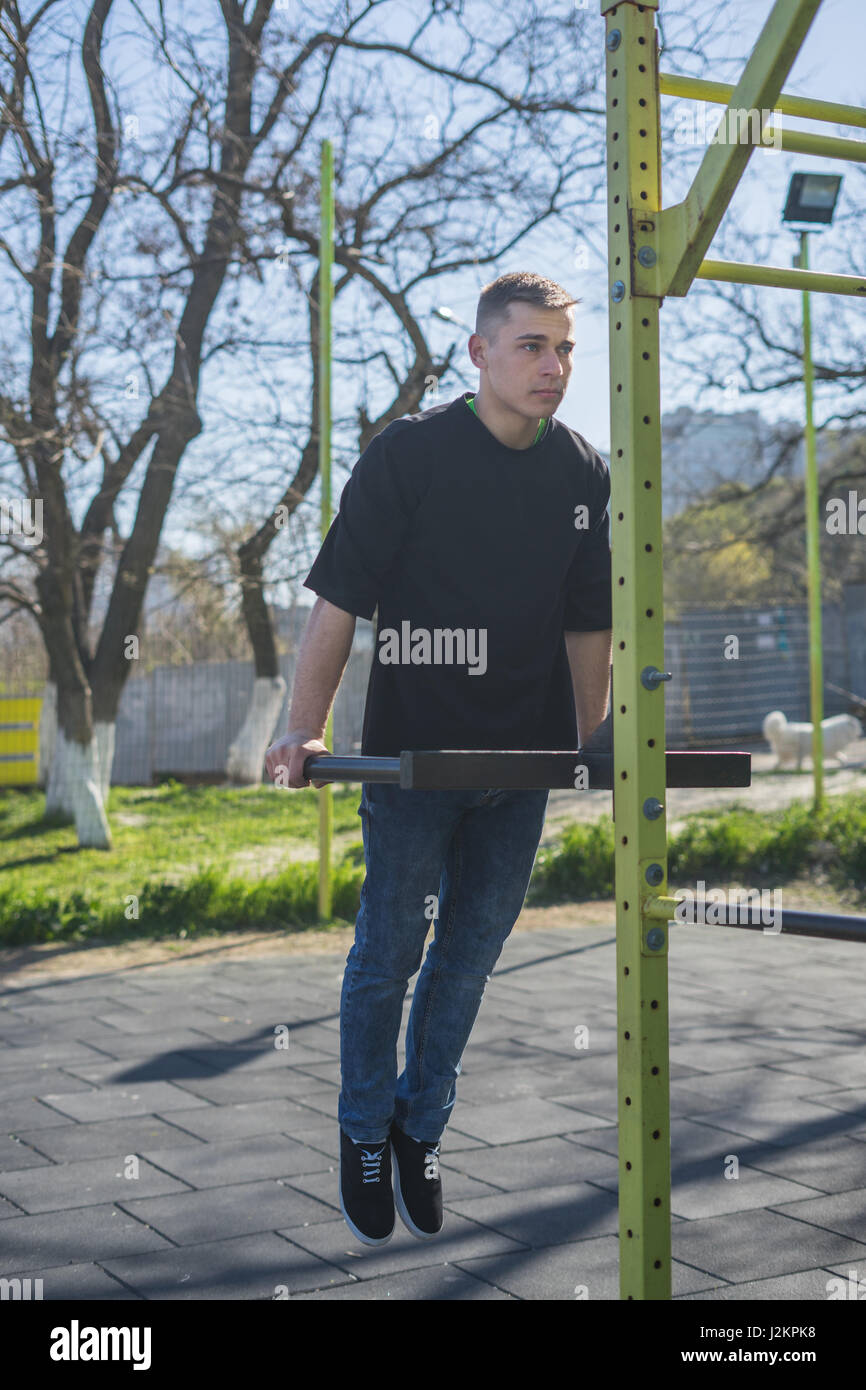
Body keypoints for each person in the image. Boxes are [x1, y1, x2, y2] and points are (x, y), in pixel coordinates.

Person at [265, 271, 613, 1248]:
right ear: (478, 353)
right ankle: (362, 1130)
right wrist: (301, 725)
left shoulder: (582, 471)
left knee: (467, 959)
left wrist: (586, 745)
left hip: (524, 761)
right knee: (390, 954)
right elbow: (338, 595)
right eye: (531, 346)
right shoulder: (409, 457)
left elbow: (590, 621)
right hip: (414, 759)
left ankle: (421, 1126)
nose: (553, 367)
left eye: (564, 350)